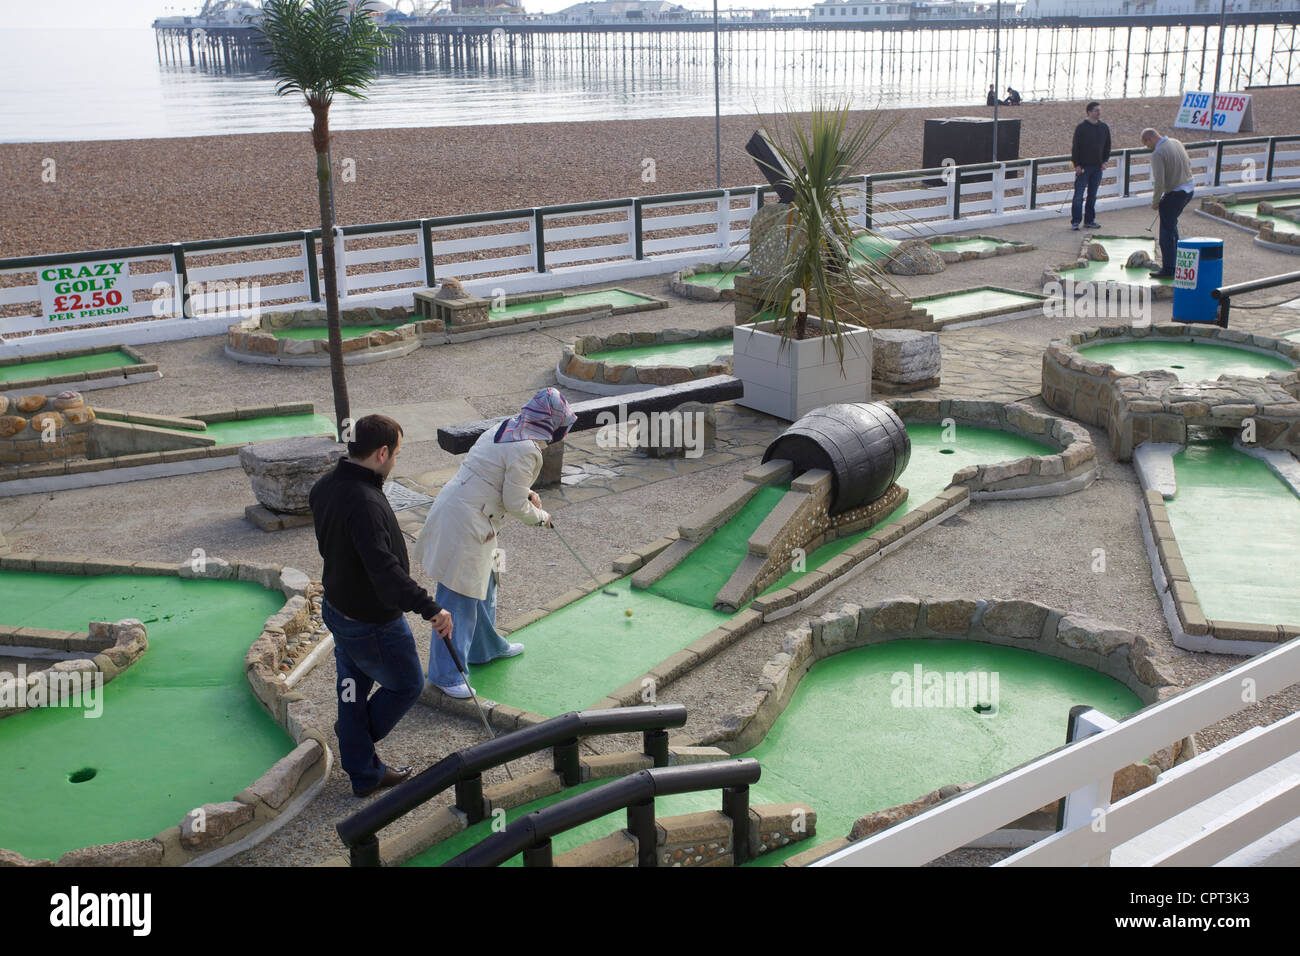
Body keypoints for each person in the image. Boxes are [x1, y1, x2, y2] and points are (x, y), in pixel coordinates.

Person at [310, 414, 453, 798]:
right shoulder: (365, 501)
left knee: (352, 687)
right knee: (407, 685)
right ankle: (355, 745)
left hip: (337, 608)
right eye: (396, 455)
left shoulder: (325, 486)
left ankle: (363, 769)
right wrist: (431, 609)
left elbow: (333, 546)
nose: (395, 463)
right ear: (382, 452)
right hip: (372, 621)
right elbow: (384, 571)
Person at [413, 387, 577, 699]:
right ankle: (447, 675)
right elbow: (514, 503)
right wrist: (541, 517)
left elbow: (498, 477)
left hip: (468, 513)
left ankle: (485, 648)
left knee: (485, 586)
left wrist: (525, 493)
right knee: (458, 598)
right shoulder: (528, 448)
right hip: (467, 523)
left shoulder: (506, 427)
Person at [1141, 127, 1196, 279]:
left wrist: (1156, 201)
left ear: (1150, 139)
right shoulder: (1176, 142)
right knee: (1171, 227)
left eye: (1147, 144)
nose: (1148, 148)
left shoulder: (1158, 153)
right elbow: (1188, 162)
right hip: (1189, 189)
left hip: (1175, 194)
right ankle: (1178, 262)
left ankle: (1169, 269)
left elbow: (1159, 181)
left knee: (1165, 234)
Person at [1070, 101, 1111, 231]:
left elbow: (1107, 146)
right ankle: (1075, 221)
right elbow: (1076, 147)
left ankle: (1089, 220)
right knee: (1078, 196)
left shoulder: (1104, 127)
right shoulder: (1081, 127)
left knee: (1092, 195)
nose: (1099, 112)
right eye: (1096, 110)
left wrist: (1105, 161)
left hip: (1098, 167)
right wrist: (1076, 164)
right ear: (1089, 112)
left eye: (1099, 110)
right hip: (1083, 167)